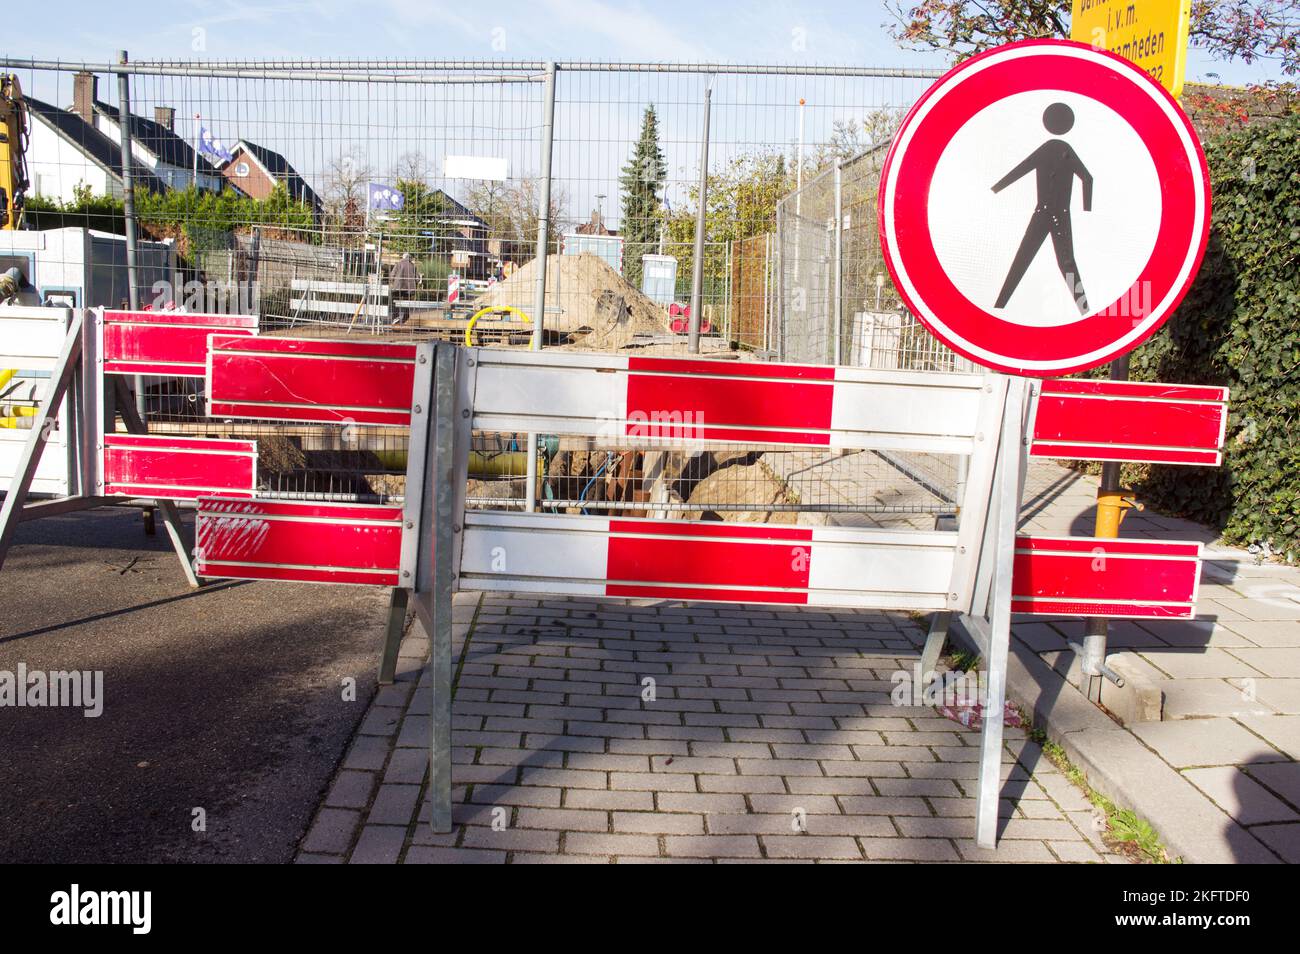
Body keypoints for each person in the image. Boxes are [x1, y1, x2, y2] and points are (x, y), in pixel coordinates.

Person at [991, 103, 1093, 314]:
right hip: (1060, 213)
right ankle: (1085, 311)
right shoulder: (1065, 149)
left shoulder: (1049, 148)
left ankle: (998, 307)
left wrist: (996, 189)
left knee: (1023, 260)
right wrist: (1086, 209)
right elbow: (1087, 179)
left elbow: (1021, 169)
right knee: (1066, 263)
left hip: (1043, 212)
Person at [389, 252, 421, 326]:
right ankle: (405, 318)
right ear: (410, 258)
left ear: (403, 258)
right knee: (407, 303)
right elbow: (417, 278)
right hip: (409, 289)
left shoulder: (398, 264)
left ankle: (395, 318)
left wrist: (393, 282)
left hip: (398, 288)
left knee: (395, 302)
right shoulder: (413, 266)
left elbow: (392, 276)